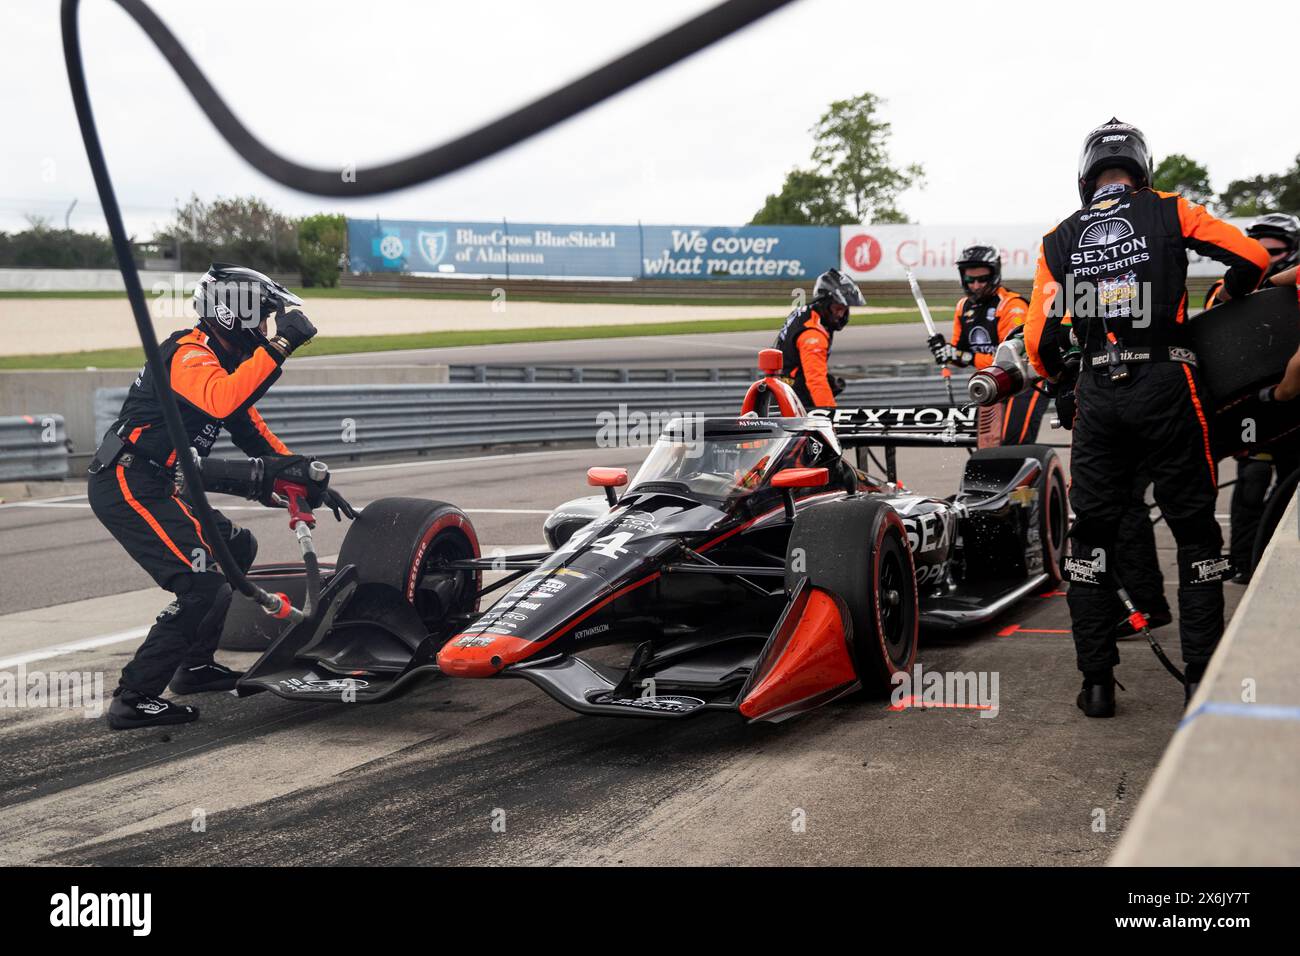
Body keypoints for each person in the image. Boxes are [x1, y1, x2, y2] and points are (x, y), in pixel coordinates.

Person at [1024, 118, 1270, 717]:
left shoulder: (1059, 238)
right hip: (1168, 380)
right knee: (1194, 531)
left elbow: (1039, 343)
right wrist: (1236, 292)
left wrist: (1065, 378)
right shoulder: (1168, 209)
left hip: (1099, 393)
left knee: (1093, 535)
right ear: (1141, 166)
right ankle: (1199, 680)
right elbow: (1254, 256)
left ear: (1086, 175)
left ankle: (1098, 685)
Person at [88, 263, 350, 730]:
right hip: (127, 481)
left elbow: (254, 433)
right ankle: (134, 696)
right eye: (264, 318)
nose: (268, 327)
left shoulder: (222, 364)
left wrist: (308, 482)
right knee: (201, 581)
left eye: (272, 321)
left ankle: (194, 666)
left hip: (158, 483)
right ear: (234, 314)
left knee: (237, 548)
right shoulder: (188, 354)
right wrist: (280, 346)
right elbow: (222, 400)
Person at [1202, 215, 1300, 580]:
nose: (1267, 256)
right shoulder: (1226, 286)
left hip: (1294, 407)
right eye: (1258, 249)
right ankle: (1244, 562)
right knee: (1252, 481)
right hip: (1253, 407)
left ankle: (1286, 563)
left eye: (1274, 250)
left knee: (1292, 487)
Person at [926, 245, 1045, 446]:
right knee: (989, 444)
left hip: (1026, 383)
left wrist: (966, 357)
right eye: (970, 280)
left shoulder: (1012, 306)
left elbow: (1011, 360)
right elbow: (959, 352)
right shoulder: (963, 307)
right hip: (993, 383)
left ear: (994, 275)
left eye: (982, 279)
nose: (976, 285)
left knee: (1013, 443)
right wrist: (945, 351)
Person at [775, 268, 865, 409]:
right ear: (825, 303)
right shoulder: (813, 334)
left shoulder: (805, 313)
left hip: (783, 390)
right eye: (837, 308)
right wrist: (830, 414)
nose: (841, 315)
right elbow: (816, 380)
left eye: (844, 309)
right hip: (795, 400)